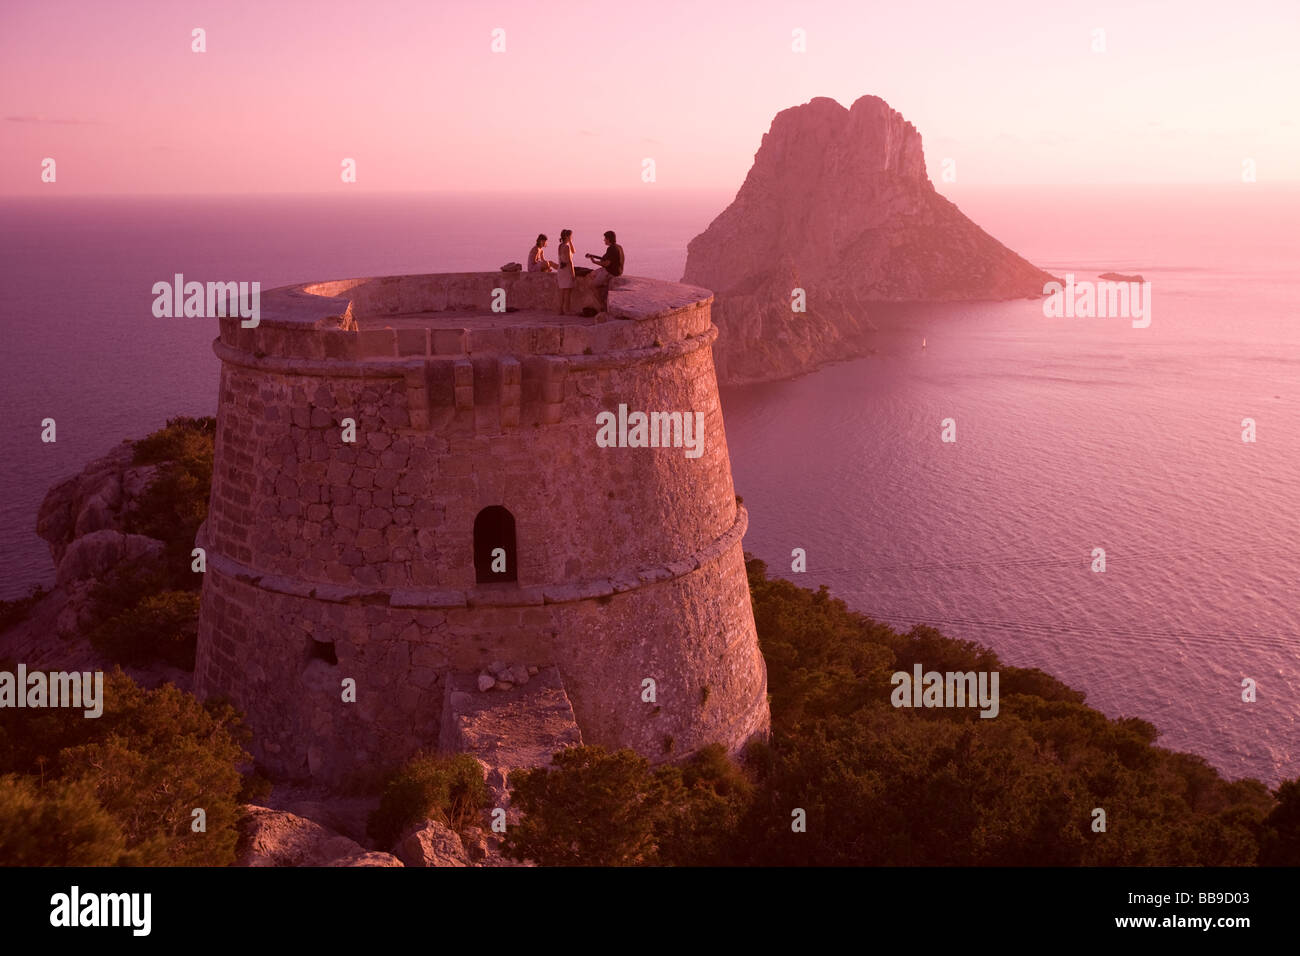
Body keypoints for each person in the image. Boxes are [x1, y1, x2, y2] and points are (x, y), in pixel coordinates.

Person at [585, 230, 625, 305]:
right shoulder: (618, 247)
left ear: (608, 239)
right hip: (618, 271)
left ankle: (601, 304)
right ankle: (603, 286)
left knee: (592, 286)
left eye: (605, 238)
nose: (604, 240)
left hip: (611, 272)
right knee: (592, 274)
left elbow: (606, 264)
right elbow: (609, 260)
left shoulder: (611, 249)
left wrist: (594, 262)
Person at [555, 228, 576, 315]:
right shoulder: (566, 247)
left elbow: (573, 251)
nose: (572, 237)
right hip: (566, 270)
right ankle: (567, 310)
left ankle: (560, 310)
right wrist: (573, 273)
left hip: (560, 270)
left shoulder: (560, 245)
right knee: (567, 291)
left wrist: (570, 241)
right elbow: (570, 261)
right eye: (571, 236)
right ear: (567, 236)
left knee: (562, 291)